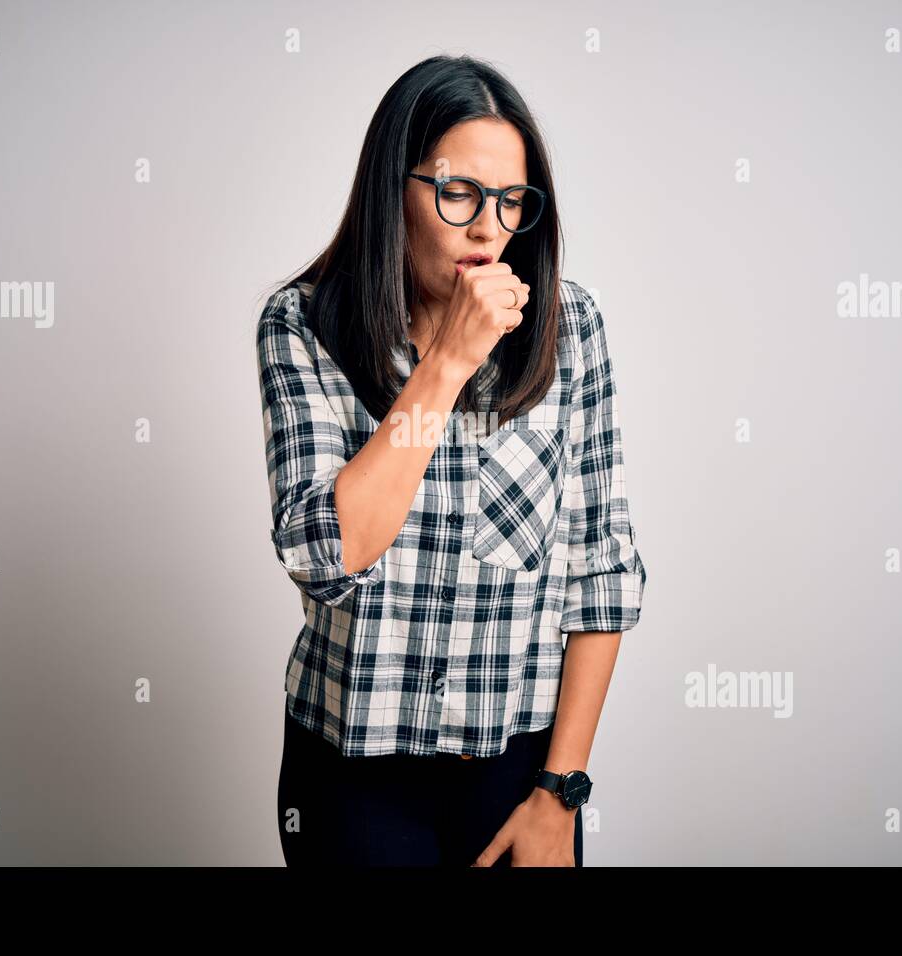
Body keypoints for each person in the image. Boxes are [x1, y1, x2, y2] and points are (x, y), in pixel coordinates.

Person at [256, 54, 647, 867]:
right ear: (392, 190)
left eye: (511, 201)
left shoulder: (572, 327)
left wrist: (561, 791)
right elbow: (325, 554)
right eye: (458, 193)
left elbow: (602, 570)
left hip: (518, 772)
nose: (487, 229)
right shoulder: (302, 325)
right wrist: (447, 365)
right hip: (352, 779)